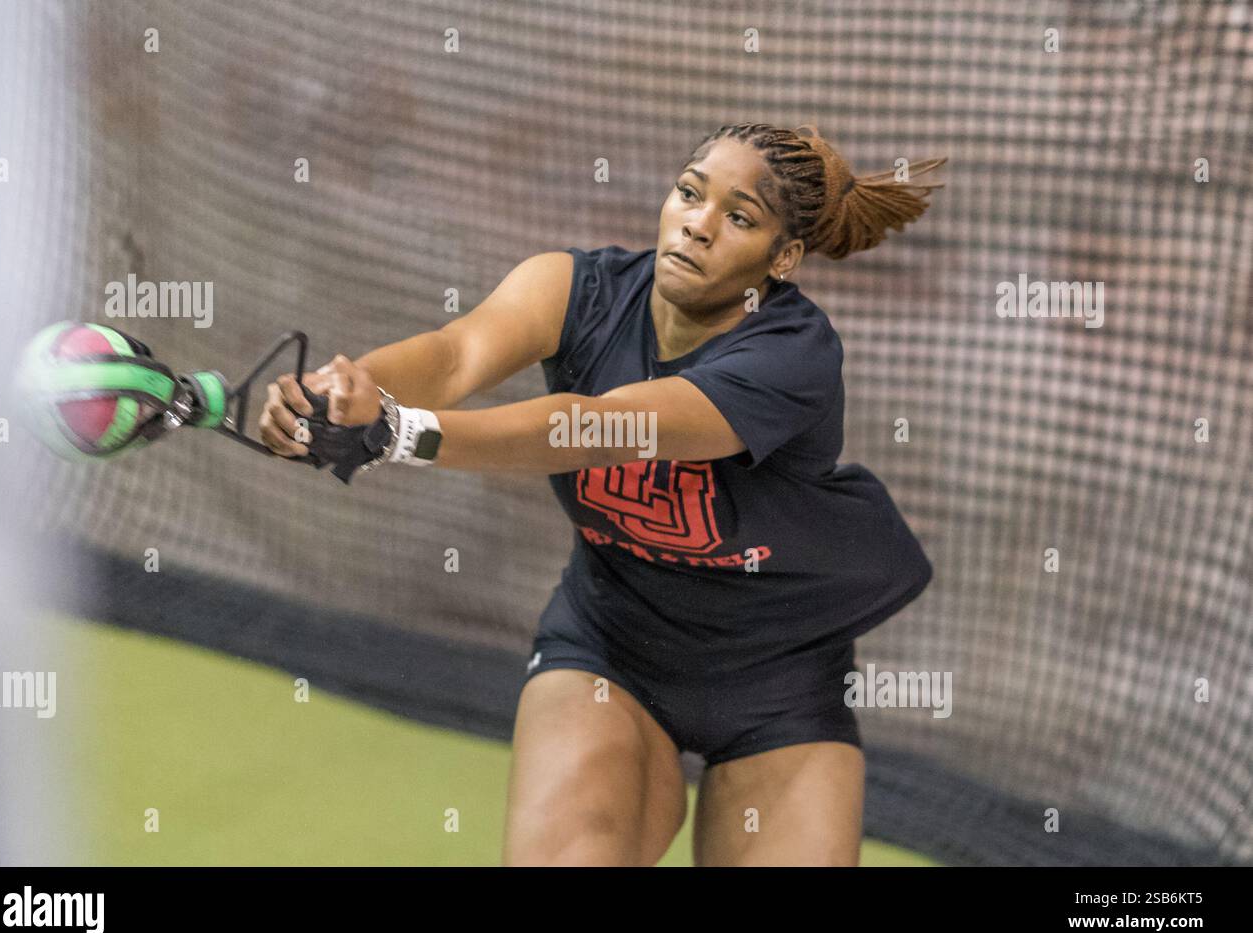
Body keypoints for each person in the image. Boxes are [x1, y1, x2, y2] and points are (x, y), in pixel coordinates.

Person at [259, 123, 946, 866]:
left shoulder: (790, 355)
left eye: (739, 217)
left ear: (781, 259)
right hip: (614, 649)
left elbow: (593, 430)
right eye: (689, 192)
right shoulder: (576, 290)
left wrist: (399, 433)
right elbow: (457, 354)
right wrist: (342, 397)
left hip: (779, 678)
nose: (698, 224)